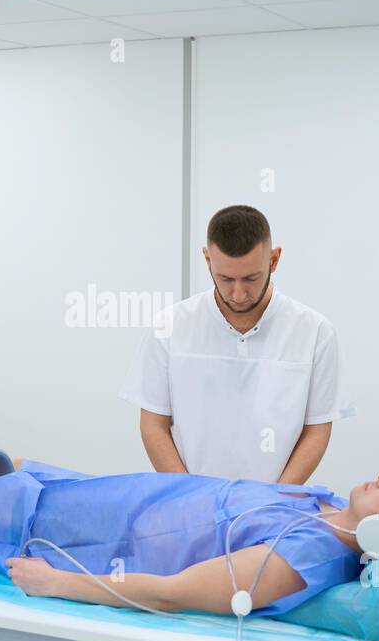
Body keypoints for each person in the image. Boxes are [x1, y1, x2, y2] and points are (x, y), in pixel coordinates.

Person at [0, 454, 379, 617]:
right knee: (4, 471)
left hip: (102, 542)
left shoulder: (304, 557)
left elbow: (172, 593)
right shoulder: (323, 502)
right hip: (116, 497)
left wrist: (60, 583)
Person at [120, 204, 338, 484]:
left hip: (273, 506)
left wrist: (272, 501)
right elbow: (153, 425)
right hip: (191, 505)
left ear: (274, 260)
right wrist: (191, 499)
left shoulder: (316, 332)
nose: (238, 294)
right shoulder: (169, 327)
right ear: (207, 259)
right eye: (225, 279)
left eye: (250, 278)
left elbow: (317, 428)